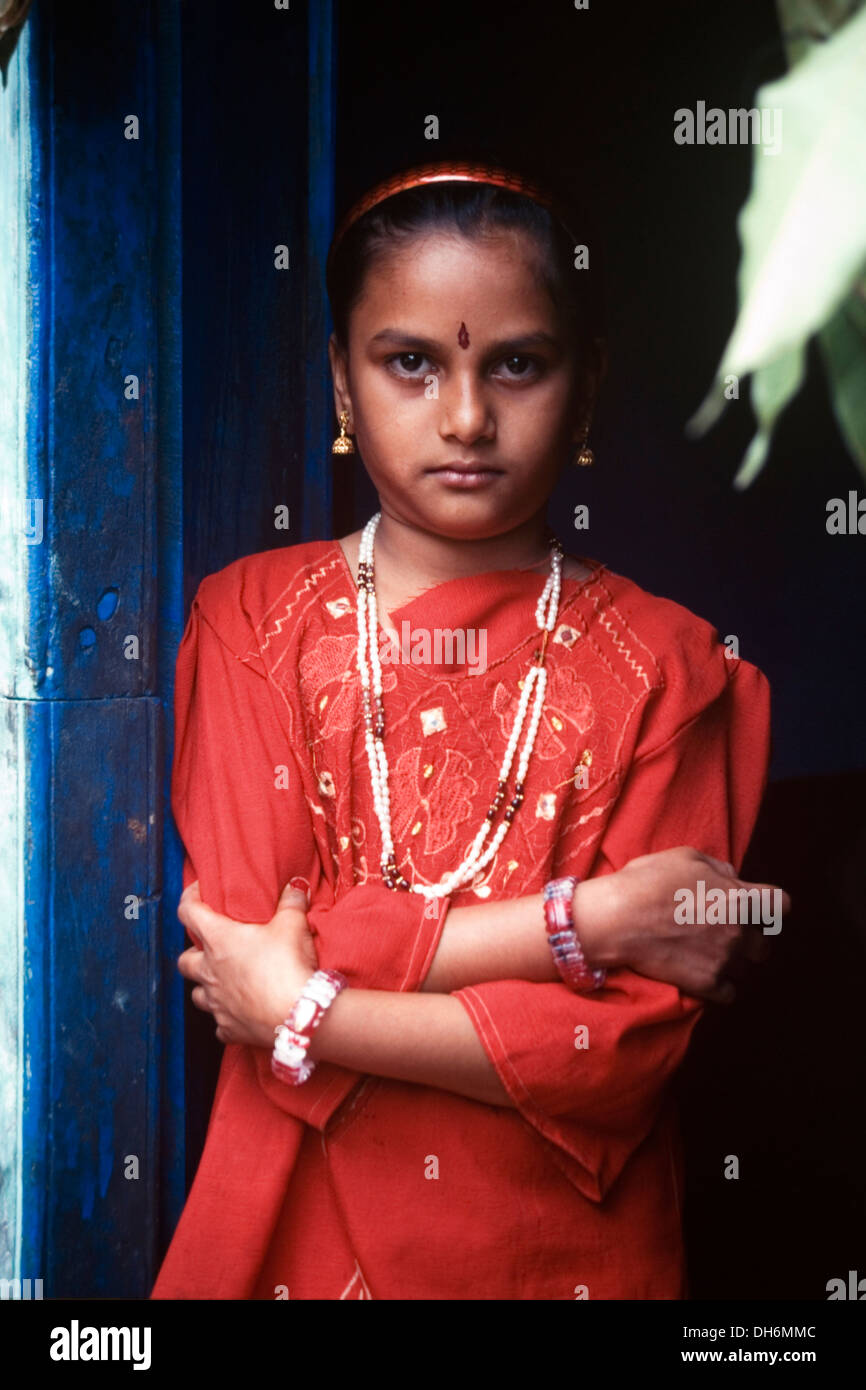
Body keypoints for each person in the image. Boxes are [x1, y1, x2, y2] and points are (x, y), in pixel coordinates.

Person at [150, 159, 787, 1301]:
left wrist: (304, 1006)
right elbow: (243, 929)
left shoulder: (674, 671)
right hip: (293, 1228)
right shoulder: (248, 623)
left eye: (517, 365)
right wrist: (587, 918)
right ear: (342, 387)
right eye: (410, 363)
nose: (464, 417)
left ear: (583, 387)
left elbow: (624, 1051)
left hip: (564, 1256)